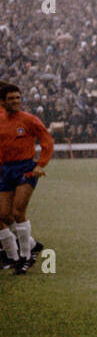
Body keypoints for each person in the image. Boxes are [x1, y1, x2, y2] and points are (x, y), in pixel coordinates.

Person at [0, 80, 53, 274]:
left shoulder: (29, 119)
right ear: (3, 102)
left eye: (18, 98)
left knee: (17, 211)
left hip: (26, 168)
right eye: (11, 99)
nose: (15, 101)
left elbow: (47, 139)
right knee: (3, 215)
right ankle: (19, 253)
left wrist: (40, 164)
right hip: (6, 170)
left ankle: (24, 256)